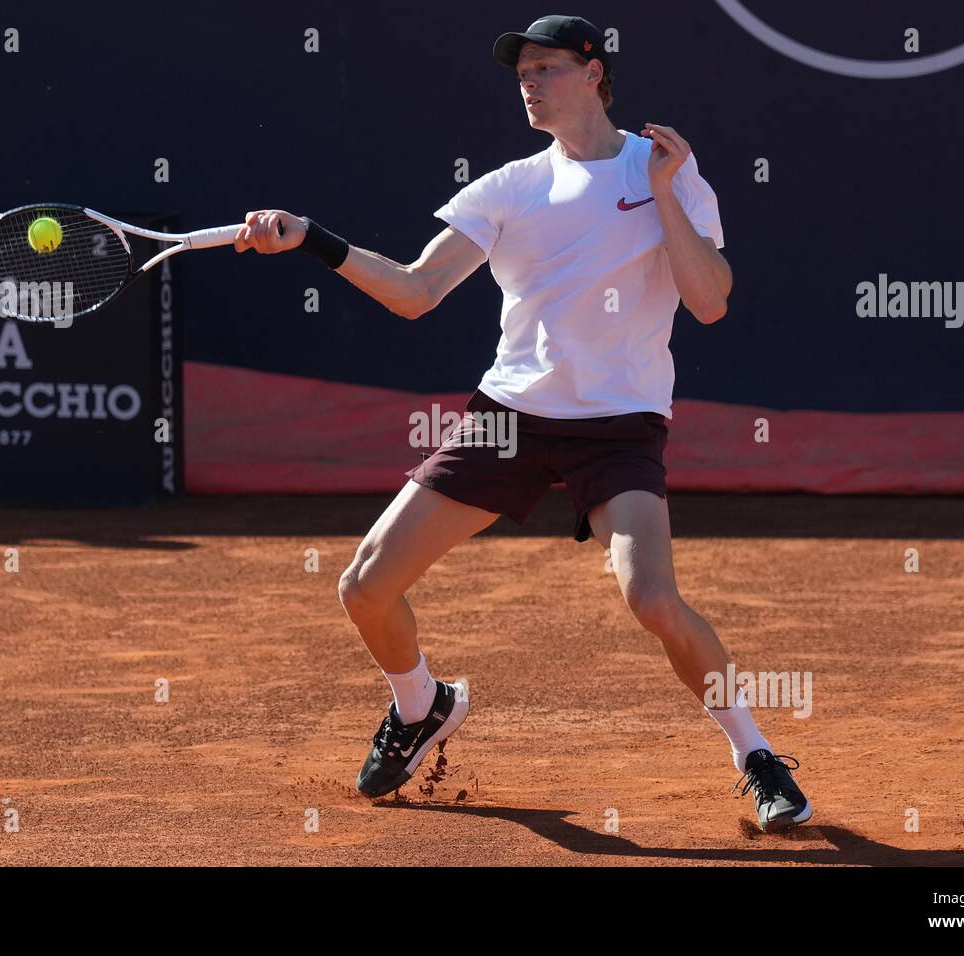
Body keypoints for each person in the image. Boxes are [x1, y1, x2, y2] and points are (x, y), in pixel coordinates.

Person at [233, 14, 812, 832]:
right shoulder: (507, 188)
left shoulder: (669, 173)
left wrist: (664, 192)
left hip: (620, 425)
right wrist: (309, 241)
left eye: (545, 69)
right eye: (522, 75)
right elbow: (413, 291)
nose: (530, 85)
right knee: (364, 585)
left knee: (652, 599)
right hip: (509, 417)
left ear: (594, 71)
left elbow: (710, 301)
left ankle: (754, 756)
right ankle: (421, 703)